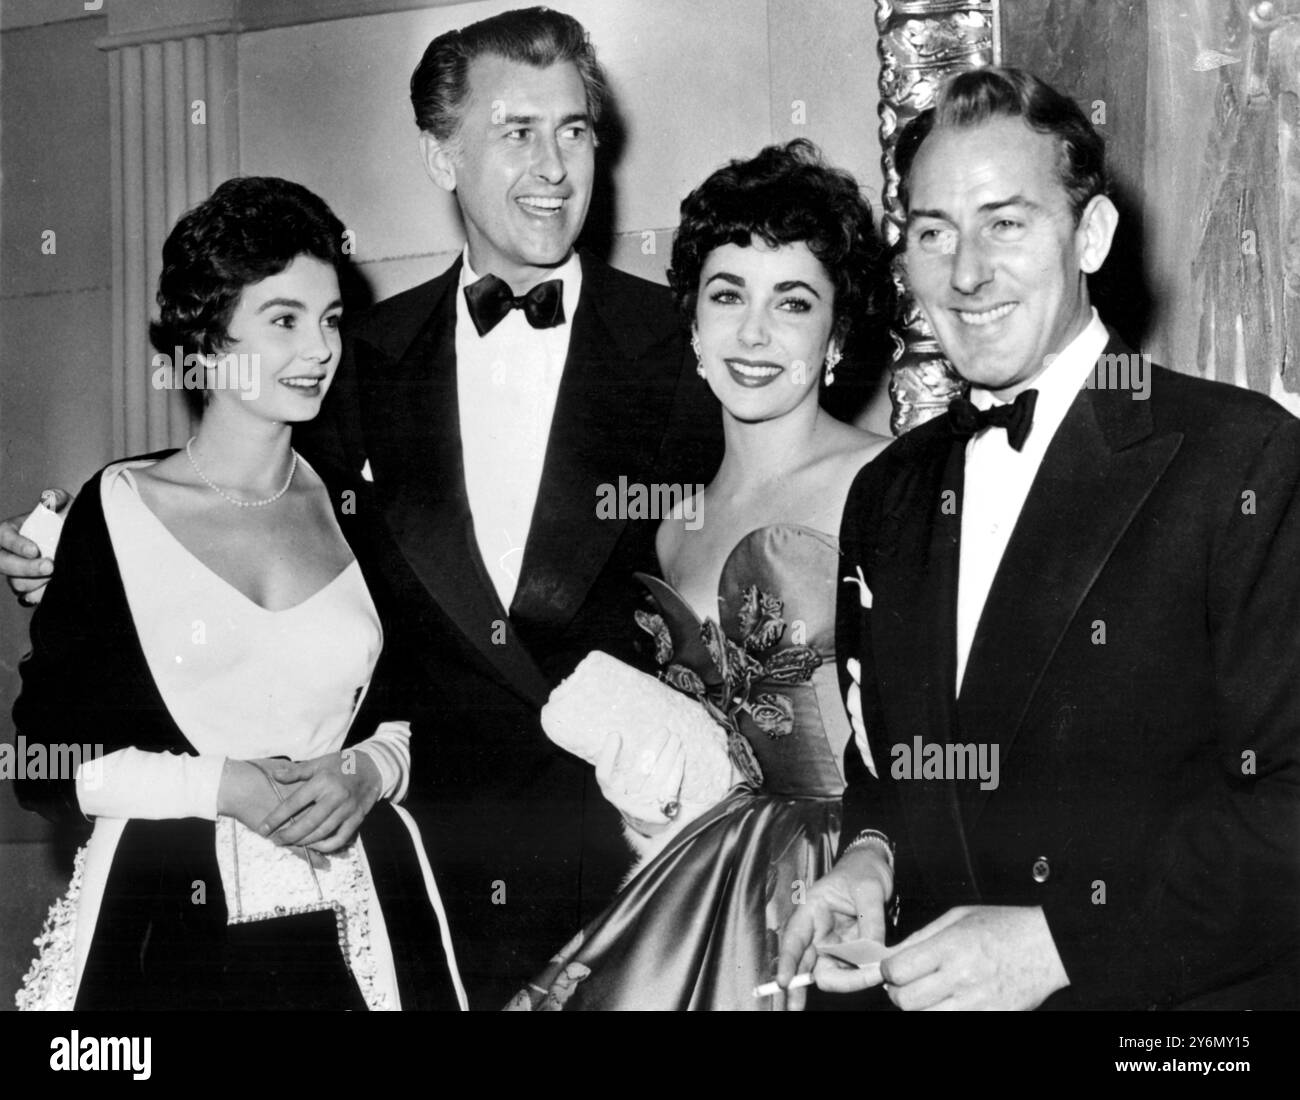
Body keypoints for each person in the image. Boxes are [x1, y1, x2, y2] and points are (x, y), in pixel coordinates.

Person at [1, 7, 720, 1008]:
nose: (554, 167)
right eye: (516, 131)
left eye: (576, 129)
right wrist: (72, 532)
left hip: (621, 864)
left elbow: (735, 563)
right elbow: (228, 479)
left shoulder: (689, 353)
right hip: (419, 876)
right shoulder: (358, 364)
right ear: (439, 155)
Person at [777, 66, 1300, 1011]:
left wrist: (1066, 947)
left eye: (1006, 223)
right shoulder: (887, 493)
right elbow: (888, 770)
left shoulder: (1244, 459)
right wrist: (868, 860)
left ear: (1090, 236)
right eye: (933, 232)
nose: (966, 272)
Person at [12, 176, 464, 1011]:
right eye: (284, 320)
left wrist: (369, 769)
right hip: (164, 939)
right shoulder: (116, 508)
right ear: (207, 335)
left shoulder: (361, 506)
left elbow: (416, 710)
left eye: (329, 320)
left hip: (363, 914)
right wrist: (223, 787)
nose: (321, 349)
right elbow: (45, 765)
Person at [509, 140, 892, 1010]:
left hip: (844, 877)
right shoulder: (671, 517)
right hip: (688, 872)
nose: (753, 334)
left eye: (793, 303)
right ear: (691, 326)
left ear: (836, 336)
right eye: (728, 296)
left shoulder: (889, 483)